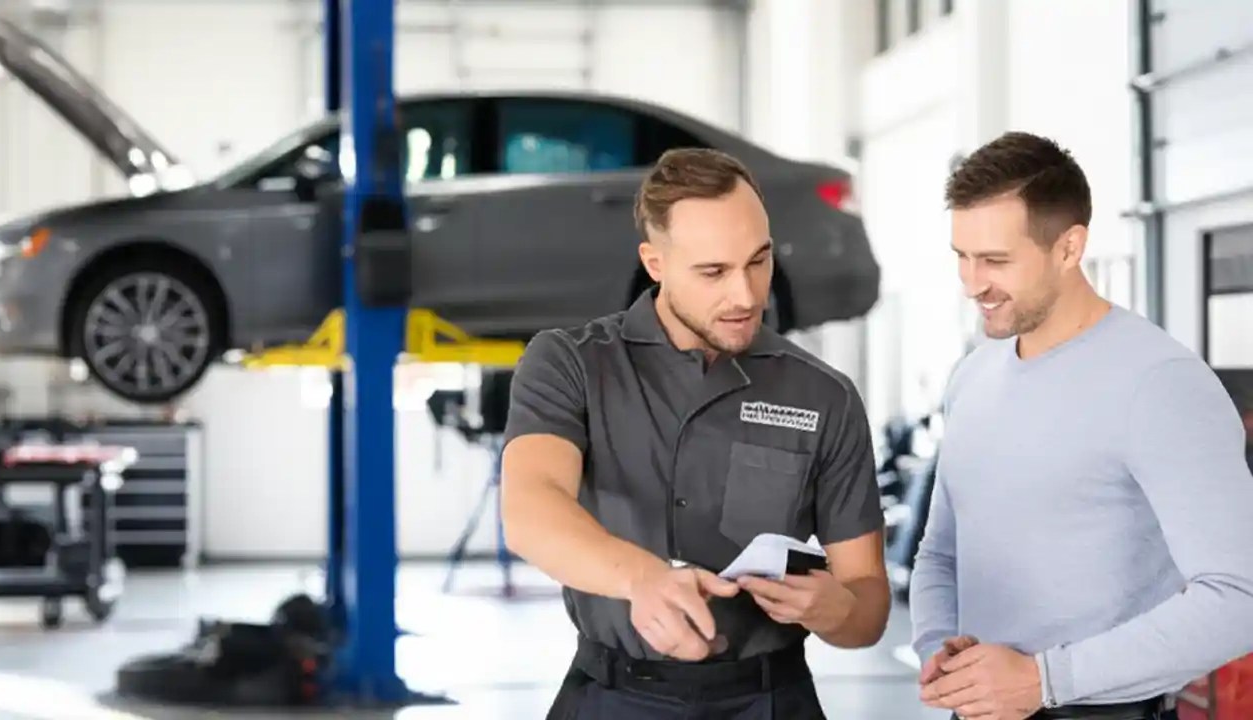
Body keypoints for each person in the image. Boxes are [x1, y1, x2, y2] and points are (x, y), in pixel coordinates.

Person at [500, 148, 891, 719]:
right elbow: (530, 507)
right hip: (611, 697)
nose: (747, 294)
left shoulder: (824, 397)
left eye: (759, 262)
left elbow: (869, 606)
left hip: (770, 701)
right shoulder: (571, 365)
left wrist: (838, 611)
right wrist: (643, 580)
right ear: (654, 263)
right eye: (714, 272)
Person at [909, 131, 1253, 720]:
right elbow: (941, 553)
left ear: (1069, 248)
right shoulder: (971, 375)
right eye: (961, 257)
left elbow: (1240, 598)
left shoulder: (1159, 382)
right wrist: (939, 648)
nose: (972, 283)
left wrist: (1043, 679)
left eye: (995, 260)